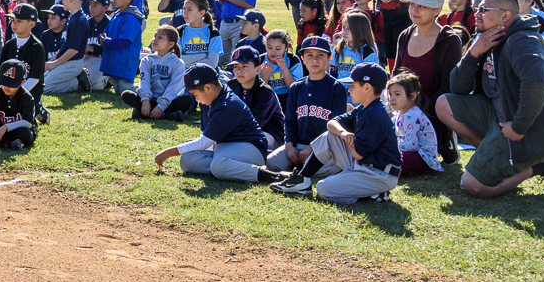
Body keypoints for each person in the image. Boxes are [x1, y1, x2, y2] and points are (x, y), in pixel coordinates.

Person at [435, 0, 544, 198]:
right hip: (501, 115)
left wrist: (519, 128)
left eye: (484, 9)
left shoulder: (523, 40)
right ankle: (495, 156)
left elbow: (538, 82)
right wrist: (473, 53)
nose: (477, 13)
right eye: (477, 8)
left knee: (473, 186)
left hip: (533, 128)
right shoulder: (489, 38)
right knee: (443, 104)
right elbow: (458, 88)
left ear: (506, 15)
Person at [268, 62, 400, 204]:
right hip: (364, 165)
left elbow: (357, 153)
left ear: (367, 87)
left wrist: (346, 139)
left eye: (353, 86)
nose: (349, 90)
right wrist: (343, 133)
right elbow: (331, 124)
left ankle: (375, 193)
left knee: (324, 188)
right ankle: (302, 179)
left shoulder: (376, 114)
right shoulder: (362, 108)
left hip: (380, 174)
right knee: (330, 135)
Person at [154, 63, 285, 183]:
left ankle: (270, 175)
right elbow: (204, 138)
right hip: (225, 148)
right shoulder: (210, 99)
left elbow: (204, 143)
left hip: (250, 147)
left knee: (218, 166)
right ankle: (231, 169)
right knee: (187, 160)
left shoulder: (228, 105)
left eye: (195, 94)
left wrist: (168, 152)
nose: (196, 99)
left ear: (208, 88)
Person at [391, 0, 464, 165]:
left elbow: (447, 86)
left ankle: (447, 138)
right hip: (403, 109)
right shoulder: (405, 35)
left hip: (433, 112)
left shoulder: (449, 40)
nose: (414, 10)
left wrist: (418, 112)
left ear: (437, 9)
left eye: (421, 6)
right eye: (412, 5)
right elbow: (395, 75)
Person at [126, 26, 192, 121]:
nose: (154, 40)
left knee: (186, 100)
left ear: (170, 44)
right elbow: (144, 82)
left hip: (169, 101)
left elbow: (174, 88)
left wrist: (161, 106)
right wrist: (145, 101)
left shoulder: (178, 63)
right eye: (155, 36)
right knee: (126, 94)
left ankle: (150, 113)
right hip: (151, 100)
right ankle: (166, 115)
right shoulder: (146, 60)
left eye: (160, 37)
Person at [385, 72, 440, 177]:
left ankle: (397, 169)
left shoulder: (412, 115)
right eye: (390, 94)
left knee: (397, 158)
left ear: (412, 96)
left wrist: (391, 147)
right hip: (411, 153)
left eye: (397, 94)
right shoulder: (401, 113)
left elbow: (411, 145)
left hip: (423, 159)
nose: (392, 98)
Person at [97, 0, 145, 94]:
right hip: (116, 59)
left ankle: (147, 90)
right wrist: (102, 38)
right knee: (118, 89)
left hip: (125, 61)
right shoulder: (118, 14)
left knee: (125, 88)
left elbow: (126, 40)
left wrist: (107, 42)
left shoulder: (131, 17)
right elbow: (107, 30)